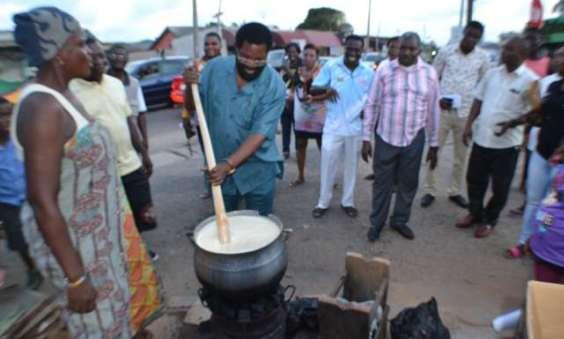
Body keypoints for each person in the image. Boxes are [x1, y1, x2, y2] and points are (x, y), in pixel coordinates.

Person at [11, 7, 160, 338]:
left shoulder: (65, 96)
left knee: (115, 323)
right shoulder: (41, 109)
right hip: (77, 253)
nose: (93, 51)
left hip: (98, 245)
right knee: (97, 329)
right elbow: (41, 202)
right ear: (61, 54)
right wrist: (76, 278)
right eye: (82, 43)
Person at [70, 36, 159, 260]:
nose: (99, 61)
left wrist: (145, 154)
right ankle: (120, 255)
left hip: (131, 165)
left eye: (101, 55)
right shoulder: (71, 91)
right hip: (101, 173)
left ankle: (138, 250)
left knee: (144, 214)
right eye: (93, 56)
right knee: (113, 218)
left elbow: (129, 121)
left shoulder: (116, 85)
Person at [184, 22, 285, 216]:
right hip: (218, 168)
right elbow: (191, 107)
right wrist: (190, 87)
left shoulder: (274, 85)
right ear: (236, 49)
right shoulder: (214, 70)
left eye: (259, 60)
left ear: (267, 55)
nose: (251, 65)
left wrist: (228, 165)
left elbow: (260, 132)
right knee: (225, 225)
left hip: (258, 170)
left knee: (259, 228)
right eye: (246, 57)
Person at [456, 36, 540, 239]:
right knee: (474, 180)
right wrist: (468, 125)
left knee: (500, 187)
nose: (504, 52)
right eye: (504, 48)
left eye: (510, 50)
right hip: (482, 139)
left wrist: (512, 124)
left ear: (522, 55)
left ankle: (489, 220)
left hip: (507, 145)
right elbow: (478, 99)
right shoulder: (492, 74)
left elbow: (536, 113)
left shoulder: (531, 81)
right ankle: (475, 213)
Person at [362, 32, 440, 241]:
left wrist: (434, 144)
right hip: (386, 136)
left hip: (414, 138)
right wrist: (365, 137)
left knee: (408, 183)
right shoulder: (385, 70)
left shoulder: (430, 74)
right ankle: (376, 224)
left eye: (411, 49)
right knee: (382, 184)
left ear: (419, 50)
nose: (406, 52)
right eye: (403, 48)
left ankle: (399, 221)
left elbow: (433, 110)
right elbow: (372, 103)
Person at [497, 46, 564, 258]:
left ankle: (545, 243)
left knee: (552, 207)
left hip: (560, 161)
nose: (555, 58)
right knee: (534, 202)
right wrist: (514, 122)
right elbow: (540, 115)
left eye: (561, 56)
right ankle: (525, 242)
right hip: (542, 152)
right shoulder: (553, 85)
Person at [421, 21, 490, 209]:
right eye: (469, 34)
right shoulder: (446, 51)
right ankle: (429, 190)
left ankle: (454, 191)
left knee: (461, 156)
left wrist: (476, 115)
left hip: (466, 114)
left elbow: (484, 84)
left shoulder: (483, 57)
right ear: (464, 33)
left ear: (479, 38)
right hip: (442, 110)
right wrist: (437, 99)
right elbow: (433, 78)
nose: (471, 39)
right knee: (435, 150)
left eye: (476, 37)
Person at [310, 35, 374, 219]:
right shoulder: (331, 66)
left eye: (357, 49)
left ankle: (348, 202)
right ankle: (323, 203)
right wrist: (326, 90)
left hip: (355, 128)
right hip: (333, 126)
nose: (353, 52)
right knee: (328, 165)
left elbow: (373, 99)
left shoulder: (368, 72)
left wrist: (368, 117)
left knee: (351, 167)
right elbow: (313, 89)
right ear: (344, 48)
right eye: (350, 49)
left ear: (362, 51)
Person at [0, 94, 43, 290]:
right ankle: (32, 269)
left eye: (11, 115)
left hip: (33, 195)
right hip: (8, 202)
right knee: (19, 241)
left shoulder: (22, 137)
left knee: (47, 231)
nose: (8, 120)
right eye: (2, 116)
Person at [510, 27, 552, 216]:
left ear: (541, 40)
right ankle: (528, 199)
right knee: (528, 159)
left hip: (544, 122)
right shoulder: (522, 61)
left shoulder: (548, 63)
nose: (531, 42)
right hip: (528, 119)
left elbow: (545, 93)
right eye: (528, 38)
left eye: (534, 38)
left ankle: (545, 216)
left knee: (551, 180)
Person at [183, 31, 223, 200]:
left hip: (225, 119)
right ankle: (211, 188)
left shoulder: (228, 64)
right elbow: (189, 100)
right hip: (204, 121)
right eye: (207, 44)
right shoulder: (195, 66)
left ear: (220, 45)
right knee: (208, 154)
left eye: (214, 43)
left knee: (228, 154)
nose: (210, 47)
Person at [365, 36, 400, 181]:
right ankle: (378, 172)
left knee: (397, 149)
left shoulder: (406, 68)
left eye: (397, 47)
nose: (393, 51)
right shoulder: (383, 66)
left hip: (398, 117)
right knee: (380, 147)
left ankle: (395, 179)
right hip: (381, 115)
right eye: (391, 47)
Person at [290, 44, 325, 186]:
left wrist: (313, 97)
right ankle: (300, 176)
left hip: (319, 118)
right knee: (300, 145)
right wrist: (291, 95)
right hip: (302, 117)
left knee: (323, 148)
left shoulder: (322, 73)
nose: (308, 58)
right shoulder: (298, 72)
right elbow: (292, 88)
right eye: (305, 55)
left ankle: (328, 177)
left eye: (311, 55)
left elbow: (328, 93)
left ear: (317, 58)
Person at [528, 146, 564, 283]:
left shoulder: (549, 210)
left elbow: (542, 228)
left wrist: (534, 241)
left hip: (547, 257)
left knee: (544, 289)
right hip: (551, 256)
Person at [107, 43, 149, 149]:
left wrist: (145, 142)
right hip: (111, 143)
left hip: (134, 141)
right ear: (109, 57)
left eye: (122, 55)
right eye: (115, 54)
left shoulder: (134, 83)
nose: (119, 58)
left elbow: (141, 113)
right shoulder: (101, 82)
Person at [280, 42, 302, 159]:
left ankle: (299, 150)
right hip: (284, 100)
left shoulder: (301, 63)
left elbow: (298, 79)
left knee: (297, 127)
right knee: (285, 126)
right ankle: (285, 150)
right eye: (289, 52)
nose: (291, 54)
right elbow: (281, 81)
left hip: (297, 100)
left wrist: (286, 69)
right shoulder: (285, 64)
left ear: (298, 52)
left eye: (294, 51)